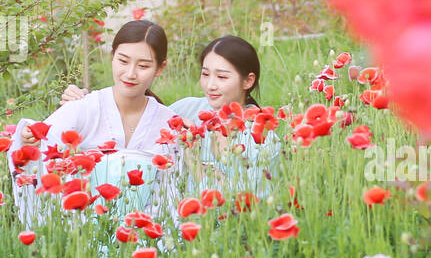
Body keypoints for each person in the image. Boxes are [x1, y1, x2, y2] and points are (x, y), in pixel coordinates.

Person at [33, 34, 283, 204]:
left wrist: (195, 160)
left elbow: (248, 203)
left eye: (222, 77)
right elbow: (144, 115)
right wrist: (86, 103)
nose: (211, 85)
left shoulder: (263, 138)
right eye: (205, 74)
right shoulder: (188, 109)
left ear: (248, 81)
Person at [7, 20, 183, 258]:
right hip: (83, 237)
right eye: (123, 61)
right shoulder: (84, 108)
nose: (130, 73)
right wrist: (30, 140)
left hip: (149, 242)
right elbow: (42, 149)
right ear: (111, 57)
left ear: (160, 68)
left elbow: (176, 188)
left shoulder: (169, 122)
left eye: (143, 65)